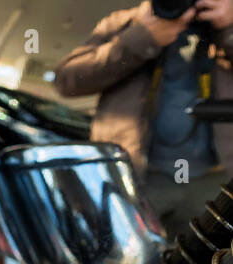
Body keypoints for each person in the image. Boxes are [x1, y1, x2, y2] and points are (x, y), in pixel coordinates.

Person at [55, 1, 233, 233]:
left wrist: (229, 29)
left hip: (214, 180)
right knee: (126, 261)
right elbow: (67, 80)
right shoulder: (123, 23)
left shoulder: (224, 22)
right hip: (132, 176)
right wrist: (142, 38)